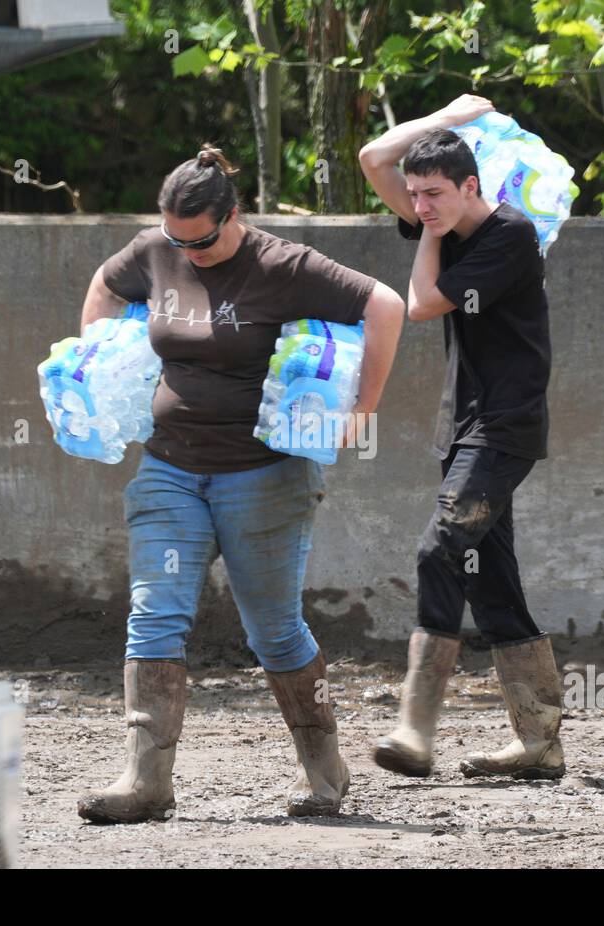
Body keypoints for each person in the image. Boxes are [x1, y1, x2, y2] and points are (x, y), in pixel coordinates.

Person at [75, 144, 405, 822]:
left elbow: (385, 303)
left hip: (262, 477)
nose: (186, 252)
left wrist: (360, 410)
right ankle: (146, 781)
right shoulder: (155, 251)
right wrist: (98, 362)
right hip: (170, 469)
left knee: (275, 631)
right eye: (176, 239)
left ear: (232, 216)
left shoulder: (284, 266)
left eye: (200, 241)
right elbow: (106, 286)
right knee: (155, 612)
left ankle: (325, 776)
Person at [358, 95, 565, 780]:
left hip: (504, 427)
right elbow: (372, 158)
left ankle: (415, 726)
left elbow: (420, 306)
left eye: (435, 195)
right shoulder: (441, 222)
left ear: (472, 186)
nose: (420, 206)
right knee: (494, 582)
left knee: (438, 551)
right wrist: (445, 115)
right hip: (463, 427)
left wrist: (425, 234)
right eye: (414, 196)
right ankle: (539, 743)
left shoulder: (510, 233)